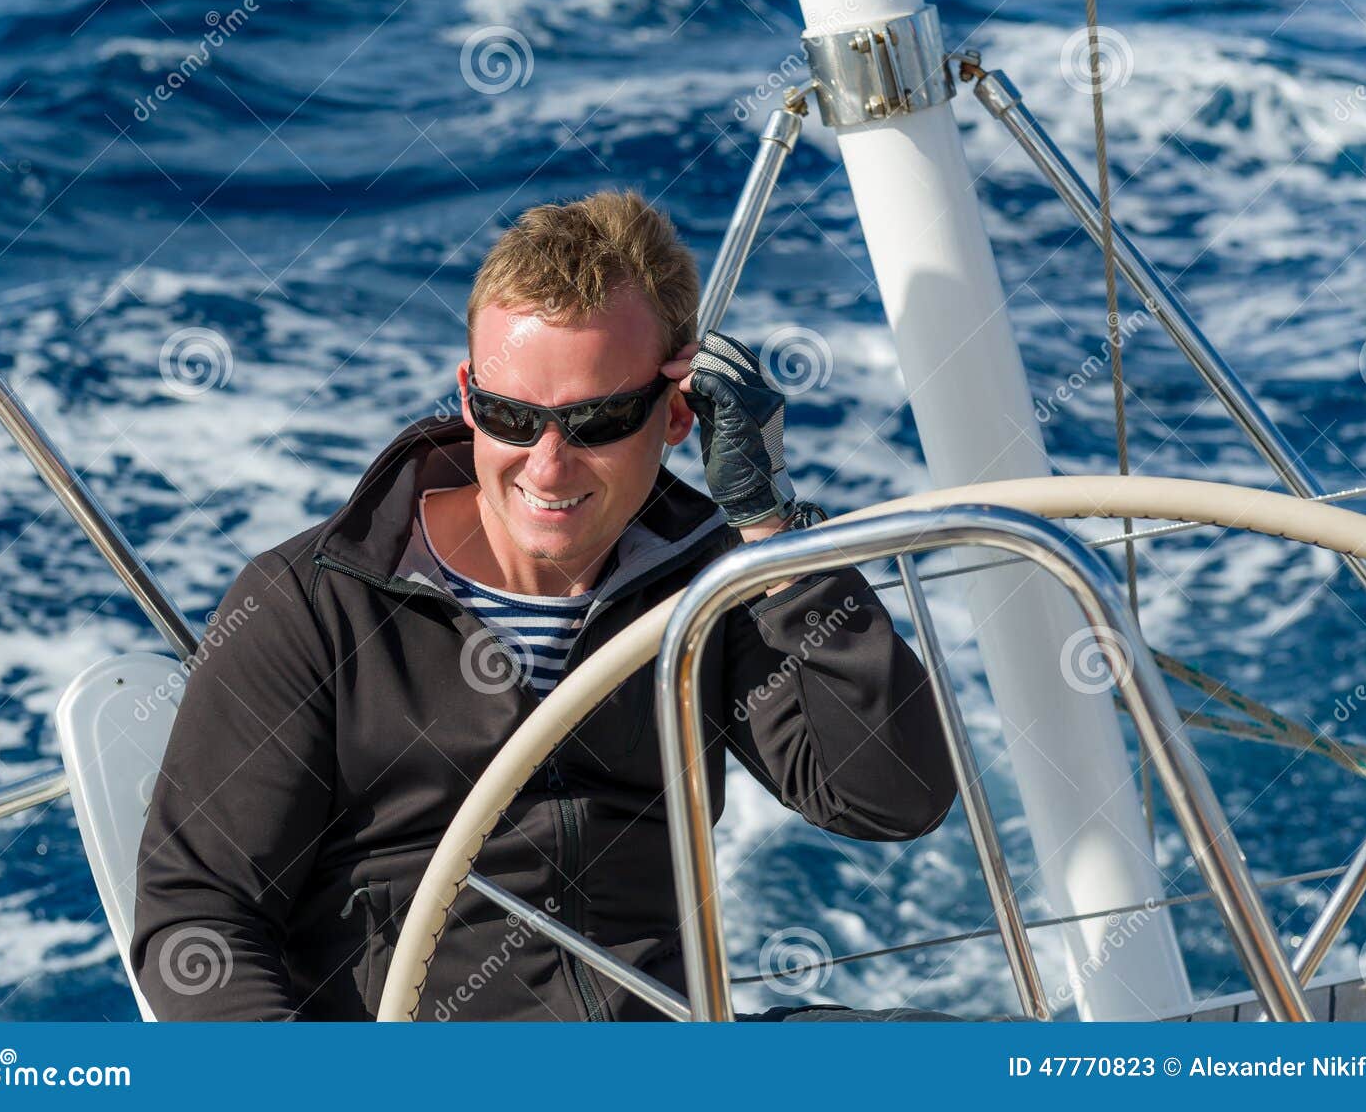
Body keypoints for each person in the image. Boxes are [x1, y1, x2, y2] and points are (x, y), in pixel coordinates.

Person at [130, 189, 958, 1021]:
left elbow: (893, 794)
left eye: (596, 421)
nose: (547, 467)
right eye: (511, 416)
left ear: (676, 412)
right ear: (467, 396)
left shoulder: (708, 581)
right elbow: (196, 922)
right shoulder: (314, 604)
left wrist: (770, 530)